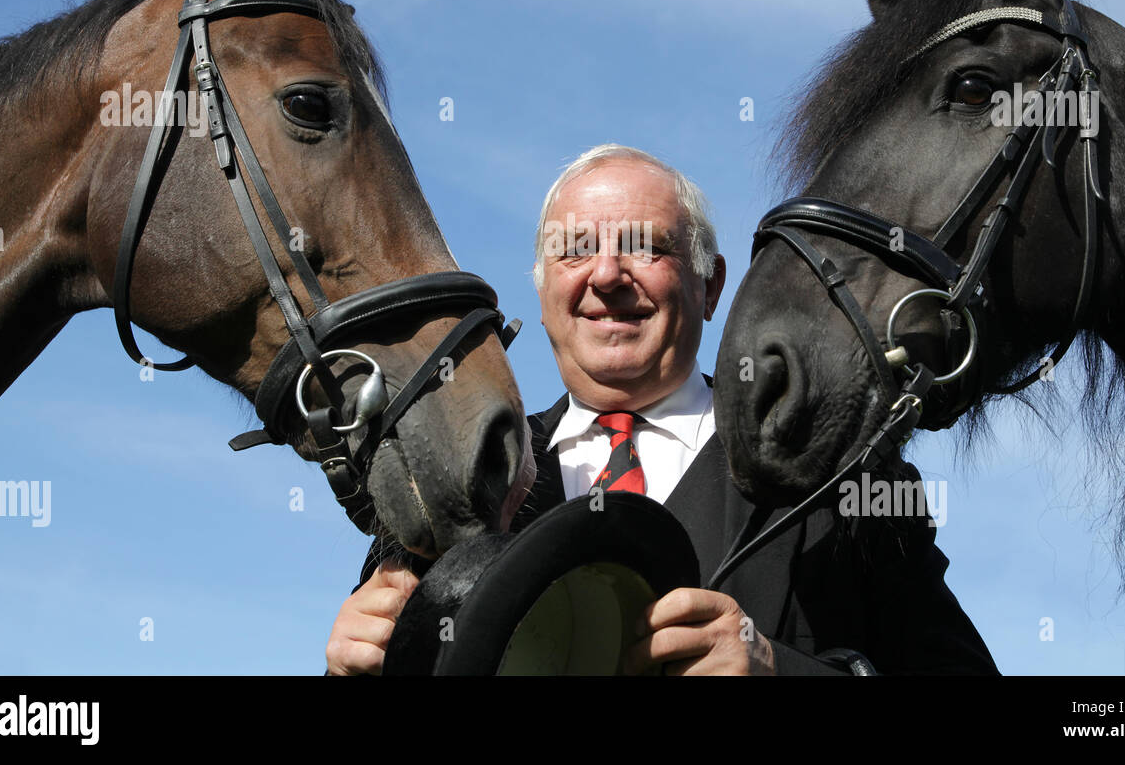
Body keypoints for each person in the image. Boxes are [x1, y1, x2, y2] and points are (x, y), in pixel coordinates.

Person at [325, 144, 998, 675]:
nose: (608, 275)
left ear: (710, 286)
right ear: (543, 290)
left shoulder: (841, 480)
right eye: (576, 250)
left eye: (646, 245)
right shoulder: (459, 472)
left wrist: (777, 672)